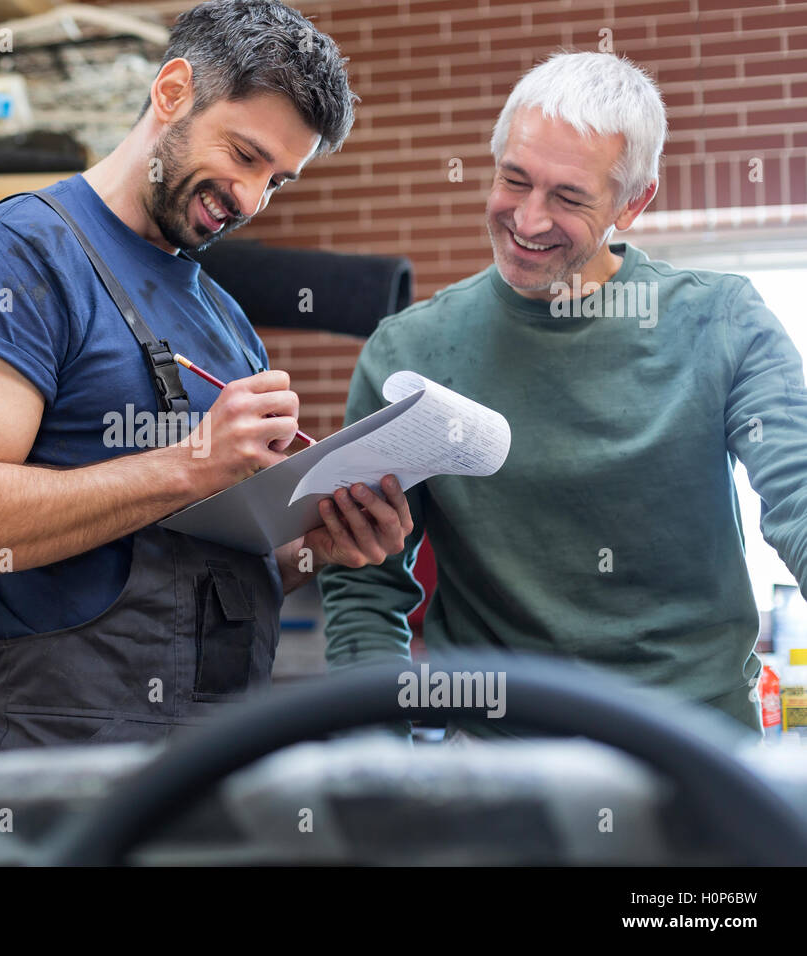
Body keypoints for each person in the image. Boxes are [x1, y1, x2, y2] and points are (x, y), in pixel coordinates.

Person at [0, 0, 413, 754]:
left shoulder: (229, 325)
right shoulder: (16, 256)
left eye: (277, 180)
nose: (251, 200)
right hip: (56, 768)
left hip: (212, 761)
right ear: (172, 92)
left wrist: (317, 547)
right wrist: (193, 464)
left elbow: (214, 576)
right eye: (244, 154)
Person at [320, 51, 807, 735]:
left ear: (633, 202)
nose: (527, 220)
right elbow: (364, 580)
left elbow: (798, 495)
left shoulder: (723, 321)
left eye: (569, 198)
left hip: (694, 752)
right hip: (494, 759)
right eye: (513, 180)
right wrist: (376, 757)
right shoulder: (408, 354)